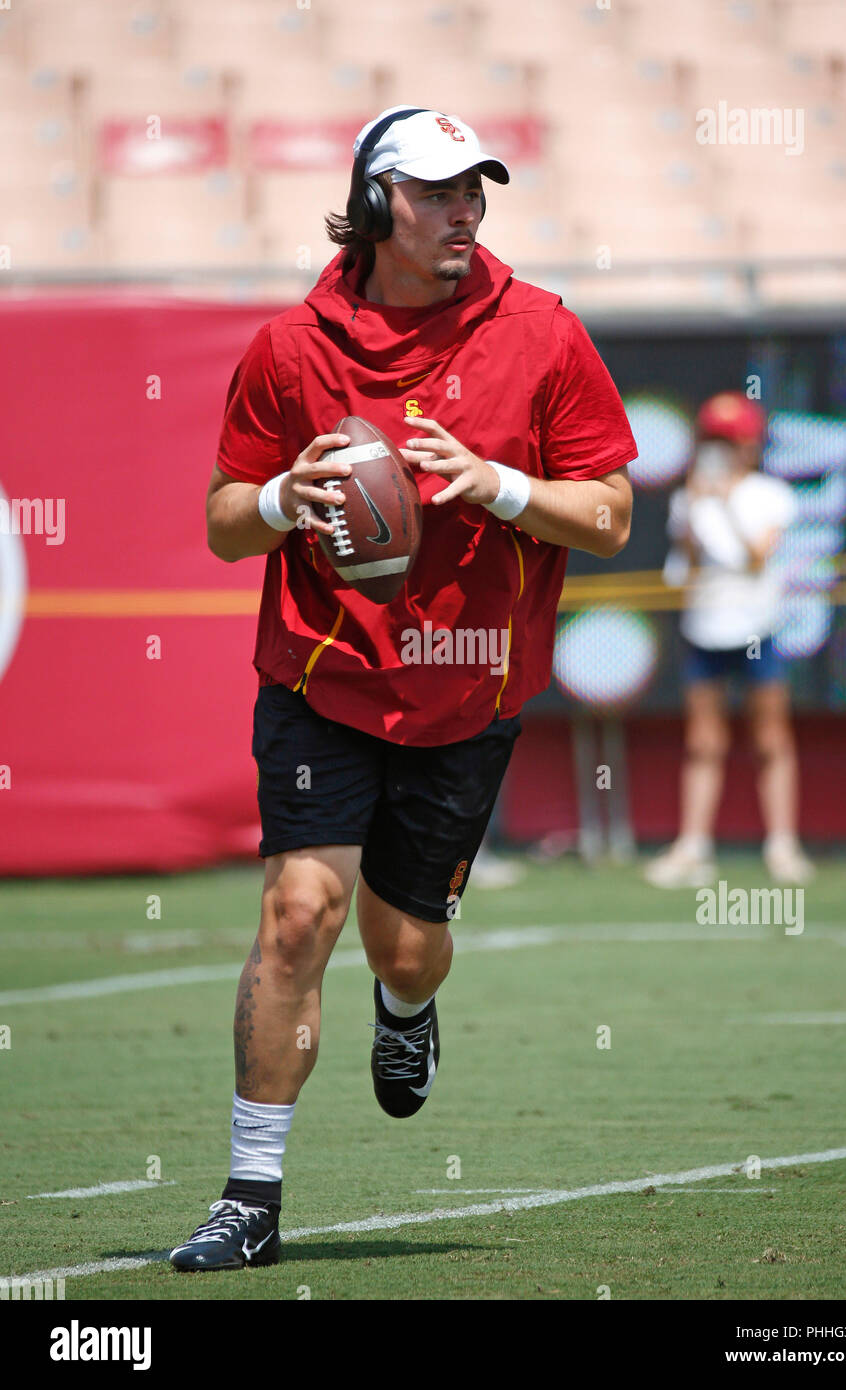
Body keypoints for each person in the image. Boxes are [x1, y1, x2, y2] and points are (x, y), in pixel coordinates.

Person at [170, 105, 636, 1271]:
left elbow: (613, 514)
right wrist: (286, 499)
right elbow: (227, 522)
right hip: (321, 681)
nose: (465, 210)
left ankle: (409, 1011)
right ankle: (250, 1197)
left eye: (476, 189)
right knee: (296, 916)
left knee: (405, 947)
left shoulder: (543, 332)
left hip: (465, 692)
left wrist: (499, 486)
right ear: (377, 203)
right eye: (437, 192)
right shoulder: (289, 347)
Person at [646, 391, 814, 891]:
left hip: (757, 631)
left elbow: (757, 557)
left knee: (771, 739)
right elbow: (686, 566)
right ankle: (693, 846)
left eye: (731, 441)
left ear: (750, 445)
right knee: (703, 742)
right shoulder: (687, 496)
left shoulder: (770, 495)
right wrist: (696, 514)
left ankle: (783, 844)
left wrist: (723, 503)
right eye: (714, 441)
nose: (722, 450)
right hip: (704, 631)